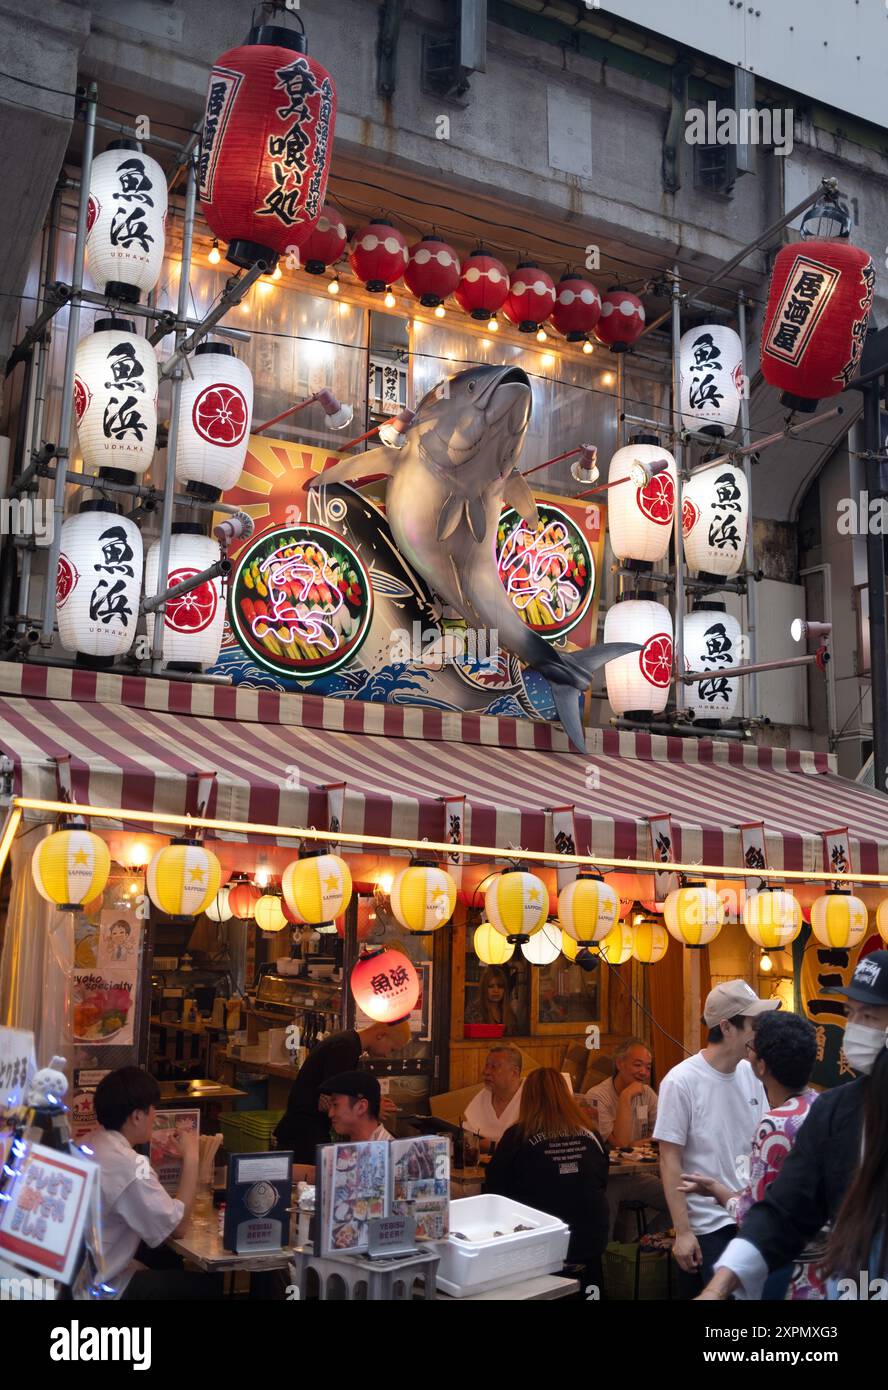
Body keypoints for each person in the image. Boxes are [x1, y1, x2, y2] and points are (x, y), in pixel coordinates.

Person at [698, 950, 888, 1301]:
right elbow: (784, 1209)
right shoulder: (833, 1109)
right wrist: (716, 1288)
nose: (855, 1026)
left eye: (870, 1015)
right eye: (851, 1014)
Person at [678, 1009, 825, 1299]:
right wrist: (717, 1189)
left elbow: (758, 1219)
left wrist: (716, 1289)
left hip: (788, 1275)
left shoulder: (776, 1125)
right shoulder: (824, 1108)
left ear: (761, 1066)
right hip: (828, 1271)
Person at [654, 979, 777, 1297]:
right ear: (727, 1027)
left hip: (748, 1215)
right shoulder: (681, 1081)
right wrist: (682, 1231)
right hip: (708, 1225)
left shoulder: (753, 1074)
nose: (758, 1033)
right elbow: (668, 1158)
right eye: (753, 1024)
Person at [81, 1066, 212, 1300]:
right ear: (137, 1116)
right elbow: (178, 1228)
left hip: (77, 1273)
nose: (156, 1116)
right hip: (98, 1288)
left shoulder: (89, 1142)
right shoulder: (131, 1166)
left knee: (164, 1259)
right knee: (202, 1287)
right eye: (154, 1109)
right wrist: (192, 1157)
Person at [483, 1067, 609, 1290]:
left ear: (527, 1098)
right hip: (590, 1240)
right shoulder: (591, 1134)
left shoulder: (518, 1135)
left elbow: (494, 1190)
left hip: (541, 1245)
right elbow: (601, 1179)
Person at [274, 1018, 411, 1162]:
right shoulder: (344, 1047)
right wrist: (373, 1108)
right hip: (302, 1133)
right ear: (381, 1035)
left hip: (306, 1130)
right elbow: (329, 1100)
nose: (387, 1055)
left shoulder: (348, 1043)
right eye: (391, 1049)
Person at [585, 1037, 658, 1147]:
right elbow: (619, 1146)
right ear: (619, 1064)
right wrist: (626, 1096)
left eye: (648, 1067)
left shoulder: (647, 1093)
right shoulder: (597, 1097)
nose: (644, 1072)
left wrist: (635, 1144)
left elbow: (664, 1134)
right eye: (637, 1065)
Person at [462, 1045, 524, 1150]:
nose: (486, 1072)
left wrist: (492, 1146)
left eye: (494, 1067)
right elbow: (467, 1136)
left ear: (514, 1073)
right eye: (486, 1066)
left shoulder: (531, 1096)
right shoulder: (483, 1097)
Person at [320, 1071, 395, 1143]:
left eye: (335, 1105)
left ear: (361, 1107)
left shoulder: (393, 1153)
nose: (330, 1114)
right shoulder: (347, 1152)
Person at [465, 965, 520, 1033]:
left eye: (500, 987)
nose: (496, 990)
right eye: (491, 986)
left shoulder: (509, 1013)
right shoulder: (474, 1011)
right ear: (484, 988)